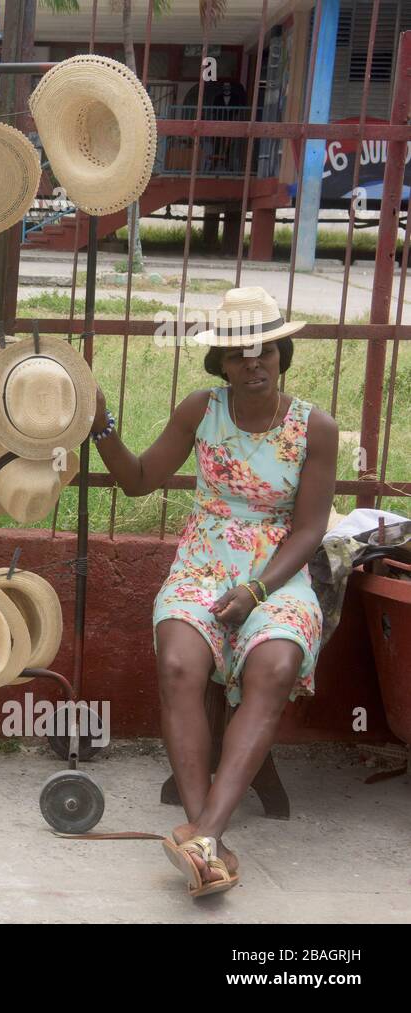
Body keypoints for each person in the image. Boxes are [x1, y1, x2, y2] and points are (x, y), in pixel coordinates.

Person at [90, 287, 337, 898]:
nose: (252, 363)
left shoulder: (315, 427)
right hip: (202, 566)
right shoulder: (202, 410)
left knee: (275, 665)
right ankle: (208, 840)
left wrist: (257, 591)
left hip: (275, 575)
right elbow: (139, 481)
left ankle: (202, 830)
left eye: (263, 351)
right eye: (237, 354)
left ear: (281, 354)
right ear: (221, 363)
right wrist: (102, 427)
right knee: (179, 663)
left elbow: (309, 530)